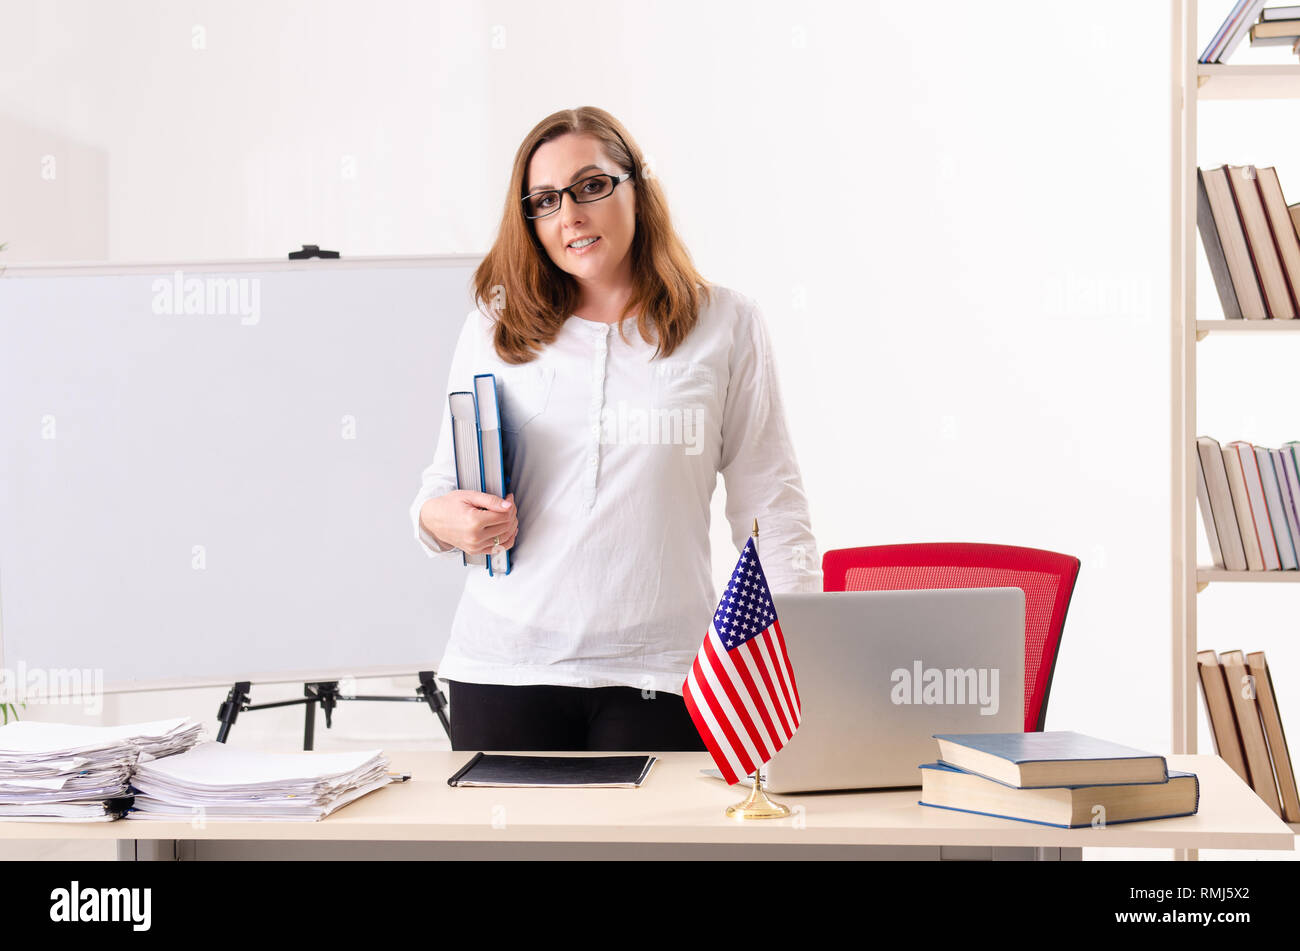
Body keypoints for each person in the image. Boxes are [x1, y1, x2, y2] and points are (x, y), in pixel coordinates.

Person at [410, 105, 821, 752]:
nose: (570, 215)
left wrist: (802, 659)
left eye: (591, 186)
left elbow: (771, 508)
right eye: (545, 200)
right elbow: (439, 490)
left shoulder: (726, 323)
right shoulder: (494, 327)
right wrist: (442, 519)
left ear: (638, 187)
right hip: (504, 669)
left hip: (668, 673)